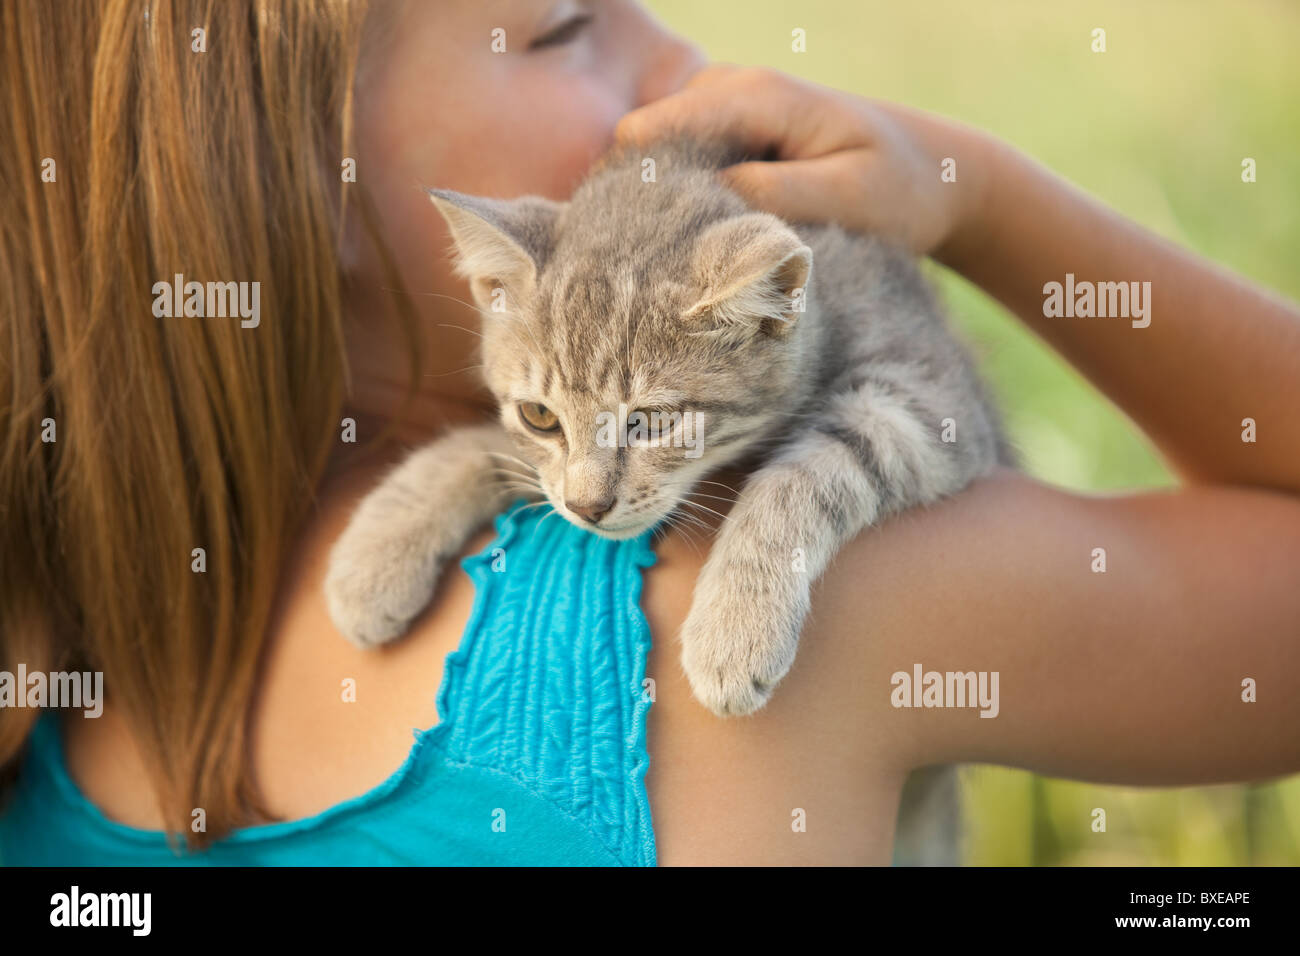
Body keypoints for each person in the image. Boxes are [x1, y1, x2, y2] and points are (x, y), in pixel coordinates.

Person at [1, 0, 1297, 866]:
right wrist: (979, 194)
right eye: (568, 23)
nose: (679, 61)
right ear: (292, 171)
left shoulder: (65, 613)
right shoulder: (844, 594)